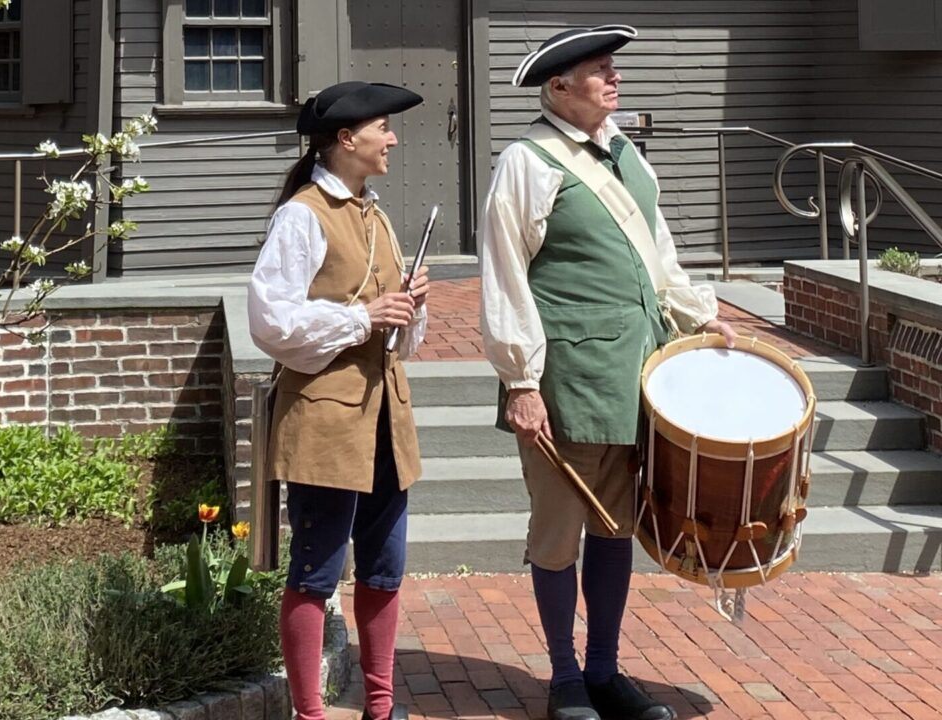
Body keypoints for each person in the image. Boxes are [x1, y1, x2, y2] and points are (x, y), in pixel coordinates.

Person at [479, 25, 737, 720]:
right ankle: (564, 675)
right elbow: (504, 275)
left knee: (617, 530)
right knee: (560, 533)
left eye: (612, 67)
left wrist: (699, 315)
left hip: (633, 374)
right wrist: (520, 381)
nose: (613, 78)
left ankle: (603, 671)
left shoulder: (629, 156)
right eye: (600, 70)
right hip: (563, 382)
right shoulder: (528, 163)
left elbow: (660, 257)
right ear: (559, 87)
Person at [248, 81, 430, 720]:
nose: (392, 138)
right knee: (316, 573)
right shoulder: (303, 214)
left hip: (383, 419)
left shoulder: (374, 214)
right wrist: (363, 319)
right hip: (326, 418)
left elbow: (401, 342)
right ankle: (311, 714)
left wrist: (410, 306)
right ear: (346, 139)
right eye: (383, 128)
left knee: (384, 568)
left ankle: (380, 708)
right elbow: (271, 323)